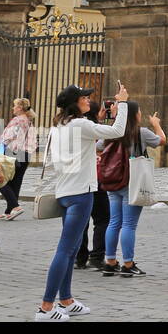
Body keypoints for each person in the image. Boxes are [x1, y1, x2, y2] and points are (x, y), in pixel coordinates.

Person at [35, 83, 129, 321]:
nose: (88, 99)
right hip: (80, 193)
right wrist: (124, 103)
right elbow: (118, 131)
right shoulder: (81, 124)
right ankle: (46, 307)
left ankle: (65, 300)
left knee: (73, 247)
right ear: (74, 102)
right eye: (84, 97)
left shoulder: (59, 126)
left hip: (65, 191)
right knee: (65, 249)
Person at [99, 102, 166, 276]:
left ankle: (110, 261)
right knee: (129, 224)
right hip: (132, 183)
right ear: (135, 115)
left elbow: (97, 148)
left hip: (112, 181)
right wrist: (156, 124)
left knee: (114, 222)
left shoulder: (111, 132)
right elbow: (162, 140)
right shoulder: (140, 133)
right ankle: (128, 264)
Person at [75, 99, 112, 270]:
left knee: (82, 220)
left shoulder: (75, 125)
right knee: (102, 218)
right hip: (94, 178)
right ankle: (97, 256)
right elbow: (106, 138)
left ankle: (80, 257)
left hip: (78, 178)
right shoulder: (90, 127)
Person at [0, 97, 35, 220]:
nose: (13, 108)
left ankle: (15, 206)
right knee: (16, 181)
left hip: (13, 152)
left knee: (2, 179)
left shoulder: (17, 120)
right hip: (26, 153)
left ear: (19, 108)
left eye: (15, 106)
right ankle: (9, 211)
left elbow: (7, 137)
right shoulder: (29, 120)